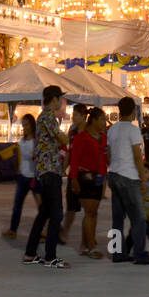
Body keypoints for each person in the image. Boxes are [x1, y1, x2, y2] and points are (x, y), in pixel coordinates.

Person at [23, 85, 71, 268]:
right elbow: (62, 139)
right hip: (50, 170)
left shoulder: (43, 116)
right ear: (54, 99)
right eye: (60, 98)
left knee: (44, 213)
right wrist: (69, 138)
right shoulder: (49, 116)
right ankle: (50, 257)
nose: (61, 102)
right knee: (56, 214)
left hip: (44, 170)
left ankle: (30, 253)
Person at [107, 96, 149, 264]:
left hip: (114, 174)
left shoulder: (112, 130)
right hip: (128, 176)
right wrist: (143, 179)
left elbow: (108, 154)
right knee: (139, 218)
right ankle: (140, 253)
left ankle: (116, 253)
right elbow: (137, 156)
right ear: (133, 112)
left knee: (117, 219)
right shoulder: (133, 130)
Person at [70, 107, 108, 258]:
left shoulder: (103, 137)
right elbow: (74, 159)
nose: (105, 122)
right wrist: (73, 179)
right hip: (84, 177)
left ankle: (85, 245)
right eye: (102, 119)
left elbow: (105, 158)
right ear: (94, 120)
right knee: (90, 212)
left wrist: (104, 176)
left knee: (93, 213)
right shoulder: (82, 137)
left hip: (99, 178)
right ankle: (92, 245)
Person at [3, 114, 41, 238]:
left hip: (34, 177)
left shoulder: (36, 141)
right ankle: (13, 230)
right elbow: (21, 157)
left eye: (26, 124)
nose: (24, 127)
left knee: (41, 206)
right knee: (17, 204)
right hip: (23, 176)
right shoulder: (22, 140)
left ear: (32, 125)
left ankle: (45, 230)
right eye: (23, 124)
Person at [61, 104, 89, 244]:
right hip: (74, 173)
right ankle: (64, 234)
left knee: (88, 210)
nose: (73, 118)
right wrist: (63, 168)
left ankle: (87, 240)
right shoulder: (72, 131)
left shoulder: (90, 131)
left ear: (84, 116)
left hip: (86, 173)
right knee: (71, 207)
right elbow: (69, 152)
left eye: (76, 115)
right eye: (73, 115)